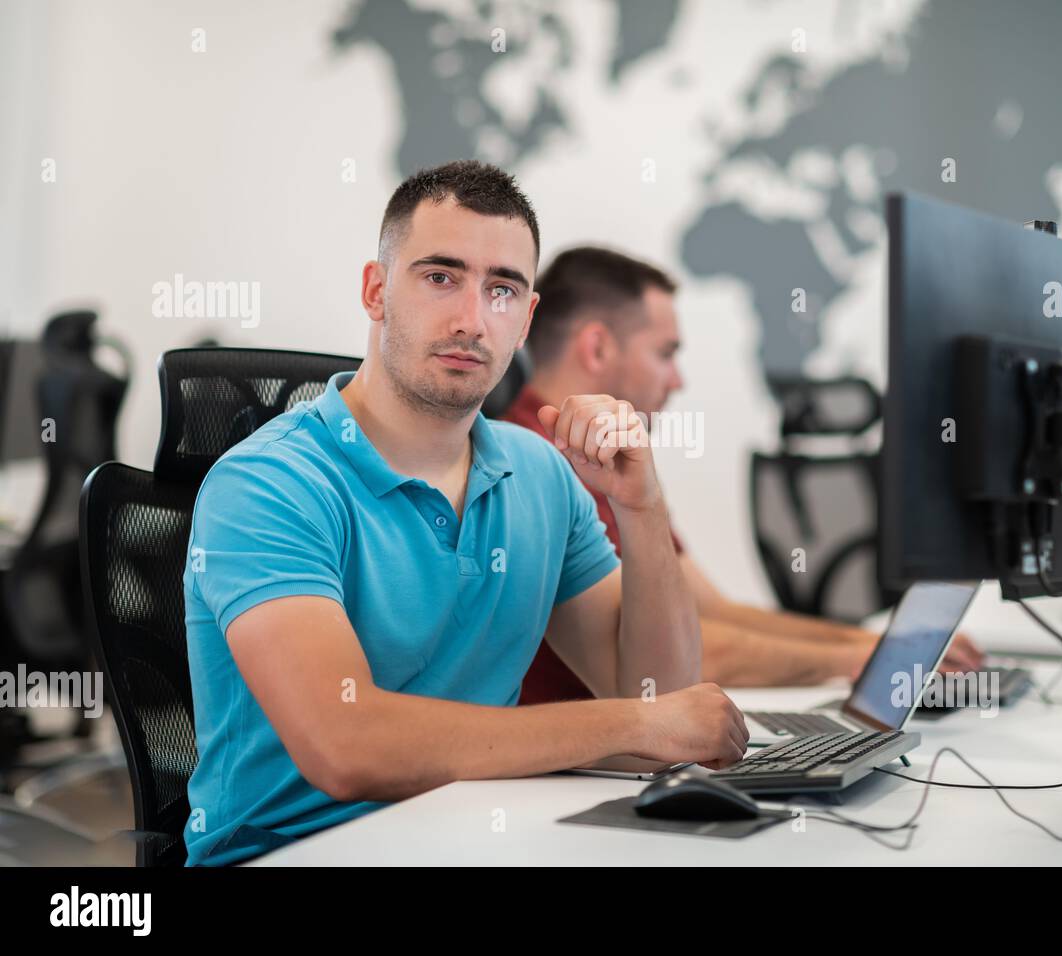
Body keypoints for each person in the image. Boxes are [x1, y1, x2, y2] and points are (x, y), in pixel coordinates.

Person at [183, 162, 747, 866]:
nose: (471, 321)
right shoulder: (269, 484)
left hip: (480, 841)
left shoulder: (540, 475)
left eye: (502, 290)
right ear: (377, 290)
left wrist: (642, 504)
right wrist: (638, 724)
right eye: (440, 277)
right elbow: (346, 745)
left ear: (527, 318)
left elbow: (657, 694)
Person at [502, 246, 984, 703]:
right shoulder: (537, 465)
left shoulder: (604, 462)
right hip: (562, 778)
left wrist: (879, 642)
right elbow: (686, 655)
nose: (678, 380)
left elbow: (712, 613)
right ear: (598, 348)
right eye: (665, 354)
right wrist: (860, 656)